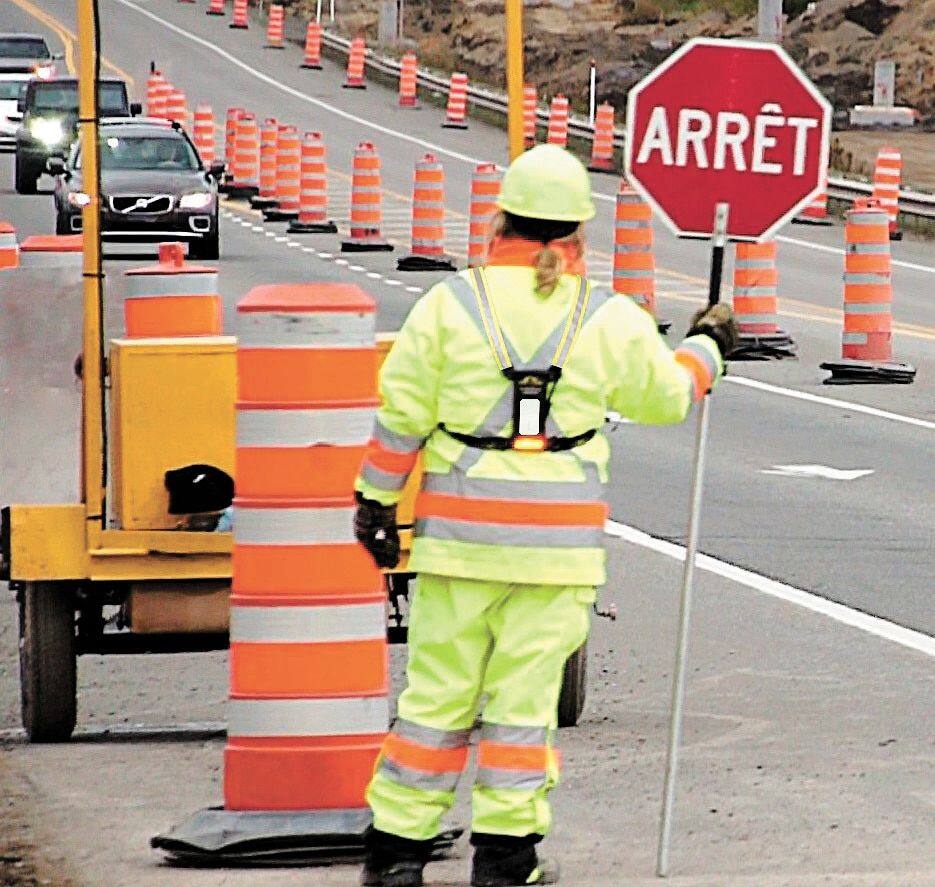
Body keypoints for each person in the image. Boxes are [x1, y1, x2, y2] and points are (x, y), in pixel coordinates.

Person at [354, 144, 737, 887]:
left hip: (458, 550)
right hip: (553, 558)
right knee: (522, 710)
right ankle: (504, 860)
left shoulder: (449, 306)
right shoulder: (606, 318)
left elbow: (400, 413)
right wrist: (707, 347)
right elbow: (664, 395)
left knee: (433, 700)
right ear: (575, 237)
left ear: (500, 220)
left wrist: (372, 499)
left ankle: (396, 854)